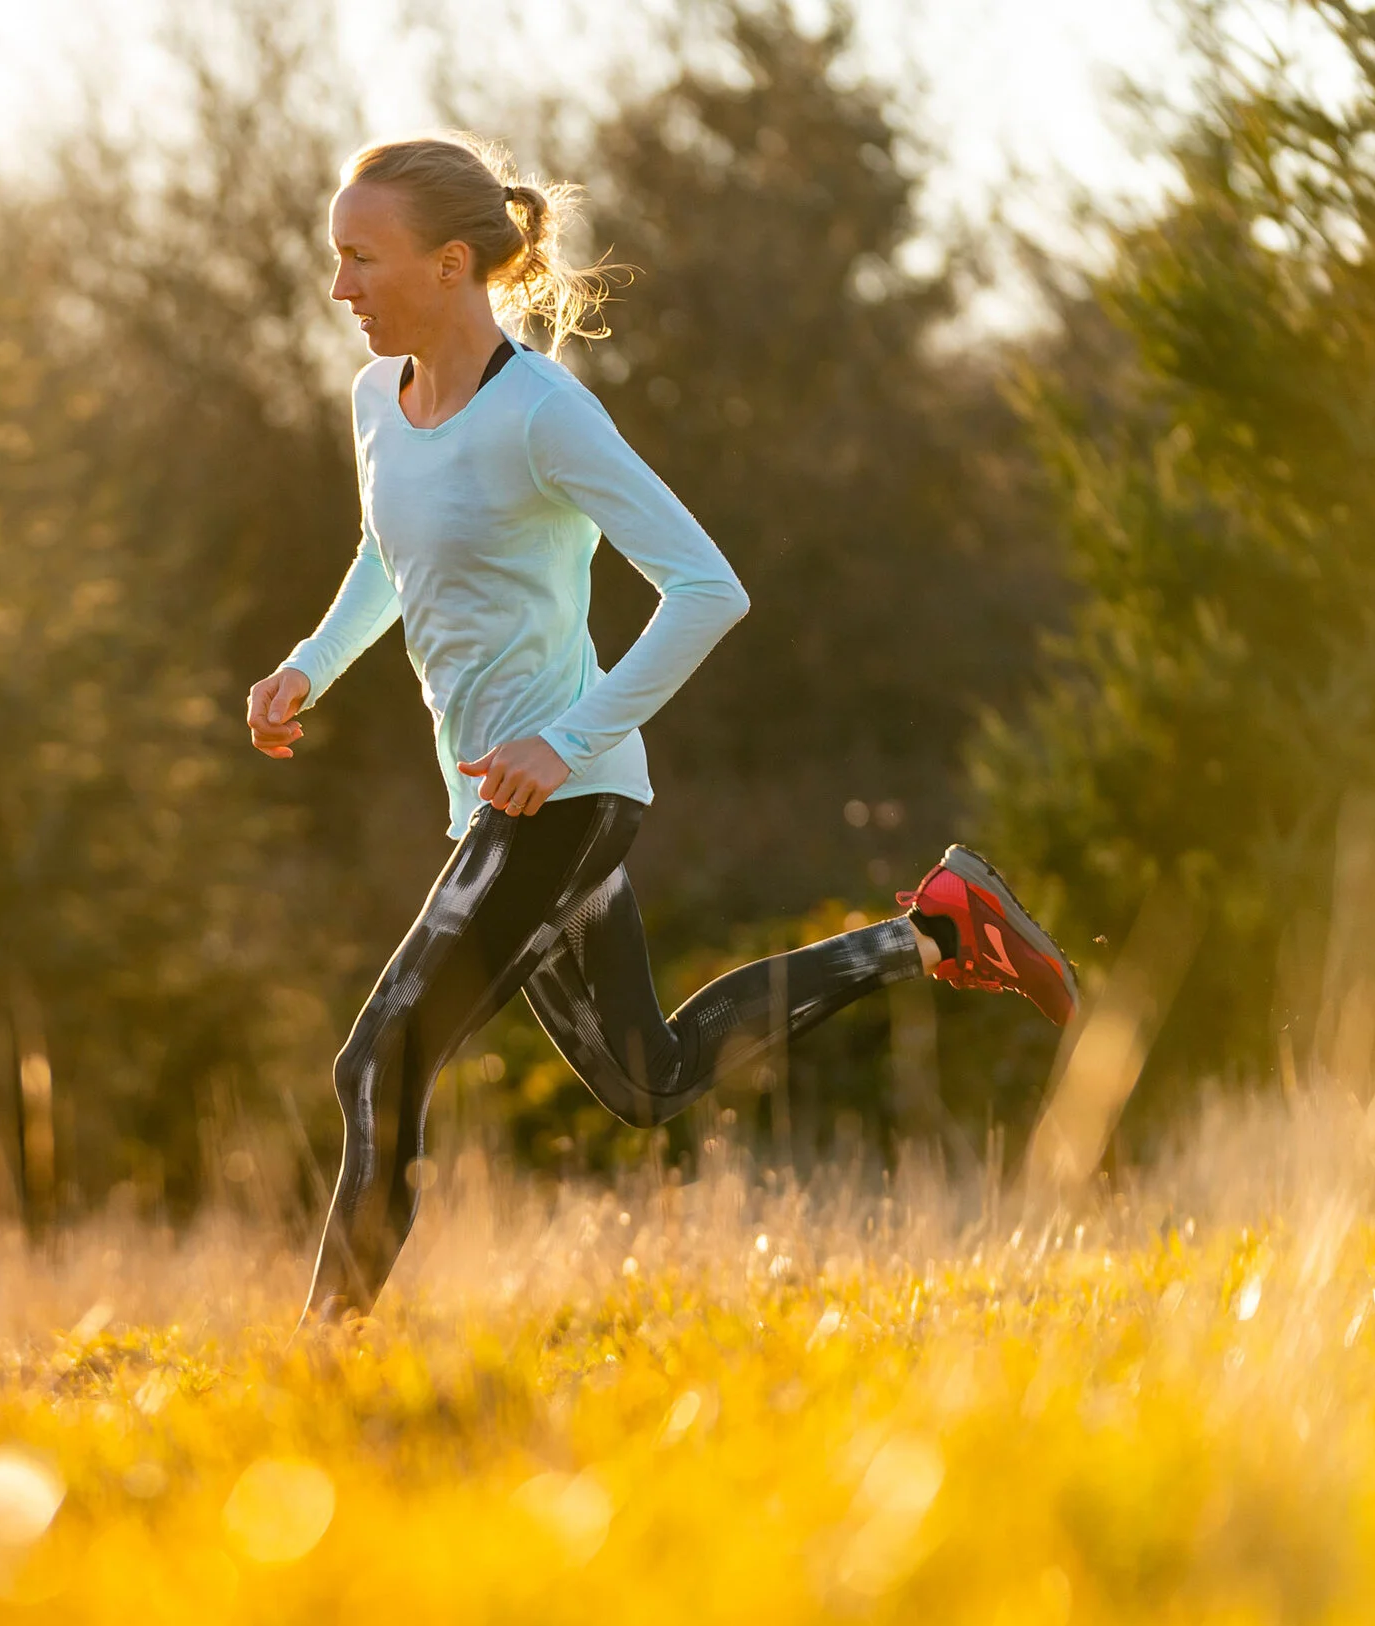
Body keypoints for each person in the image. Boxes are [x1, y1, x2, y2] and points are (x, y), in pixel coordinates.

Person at [246, 134, 1081, 1328]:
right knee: (650, 1078)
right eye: (337, 259)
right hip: (500, 799)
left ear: (447, 264)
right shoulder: (377, 400)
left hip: (561, 798)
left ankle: (319, 1356)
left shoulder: (541, 411)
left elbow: (706, 587)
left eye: (359, 259)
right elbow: (390, 547)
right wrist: (307, 665)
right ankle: (936, 934)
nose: (340, 288)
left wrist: (568, 740)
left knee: (375, 1061)